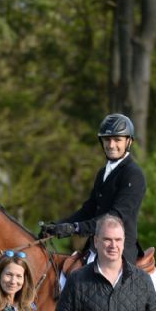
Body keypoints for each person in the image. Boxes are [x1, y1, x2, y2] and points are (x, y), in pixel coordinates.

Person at [39, 113, 146, 265]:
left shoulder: (133, 174)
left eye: (117, 140)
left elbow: (115, 217)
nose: (111, 145)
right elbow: (88, 209)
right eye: (107, 139)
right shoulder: (103, 173)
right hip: (96, 245)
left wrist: (76, 228)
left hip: (118, 249)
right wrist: (58, 226)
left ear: (129, 142)